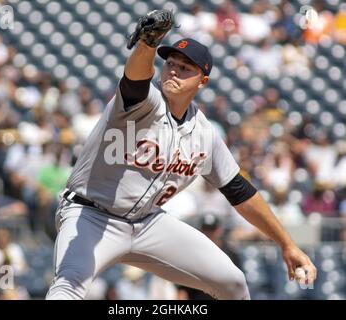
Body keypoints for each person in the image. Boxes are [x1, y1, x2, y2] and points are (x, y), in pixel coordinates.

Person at [46, 9, 316, 300]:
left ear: (202, 82)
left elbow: (240, 192)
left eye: (186, 68)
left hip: (148, 223)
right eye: (170, 63)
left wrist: (287, 243)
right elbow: (136, 78)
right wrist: (148, 44)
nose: (174, 70)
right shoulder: (142, 103)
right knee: (68, 286)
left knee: (233, 283)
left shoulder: (205, 133)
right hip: (90, 214)